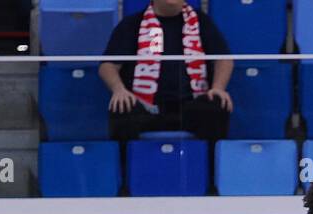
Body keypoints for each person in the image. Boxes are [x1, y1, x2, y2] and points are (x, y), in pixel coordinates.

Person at [99, 0, 233, 142]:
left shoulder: (201, 22)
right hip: (146, 109)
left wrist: (218, 88)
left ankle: (211, 163)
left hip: (190, 107)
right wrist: (119, 89)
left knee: (216, 105)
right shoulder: (132, 23)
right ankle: (125, 163)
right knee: (122, 107)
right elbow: (107, 65)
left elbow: (223, 59)